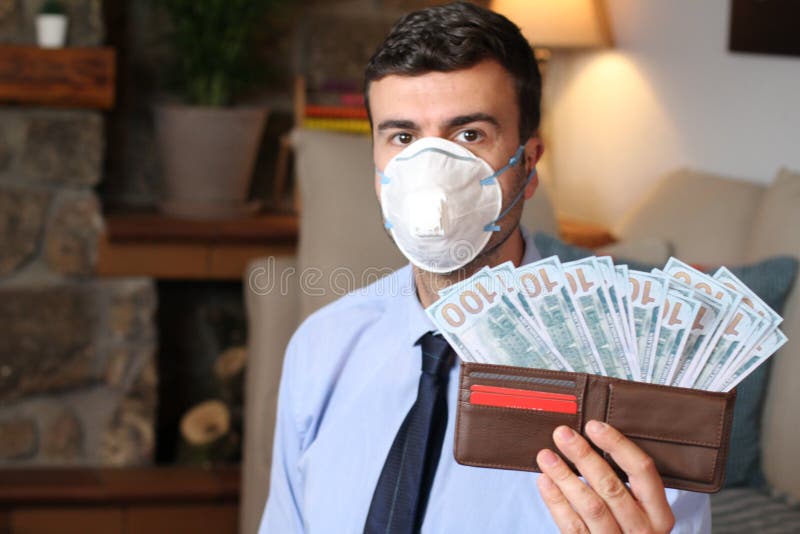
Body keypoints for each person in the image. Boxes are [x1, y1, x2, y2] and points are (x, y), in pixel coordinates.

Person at [260, 2, 710, 532]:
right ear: (377, 165)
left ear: (529, 164)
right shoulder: (322, 349)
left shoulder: (637, 375)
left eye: (469, 134)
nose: (431, 172)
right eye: (403, 137)